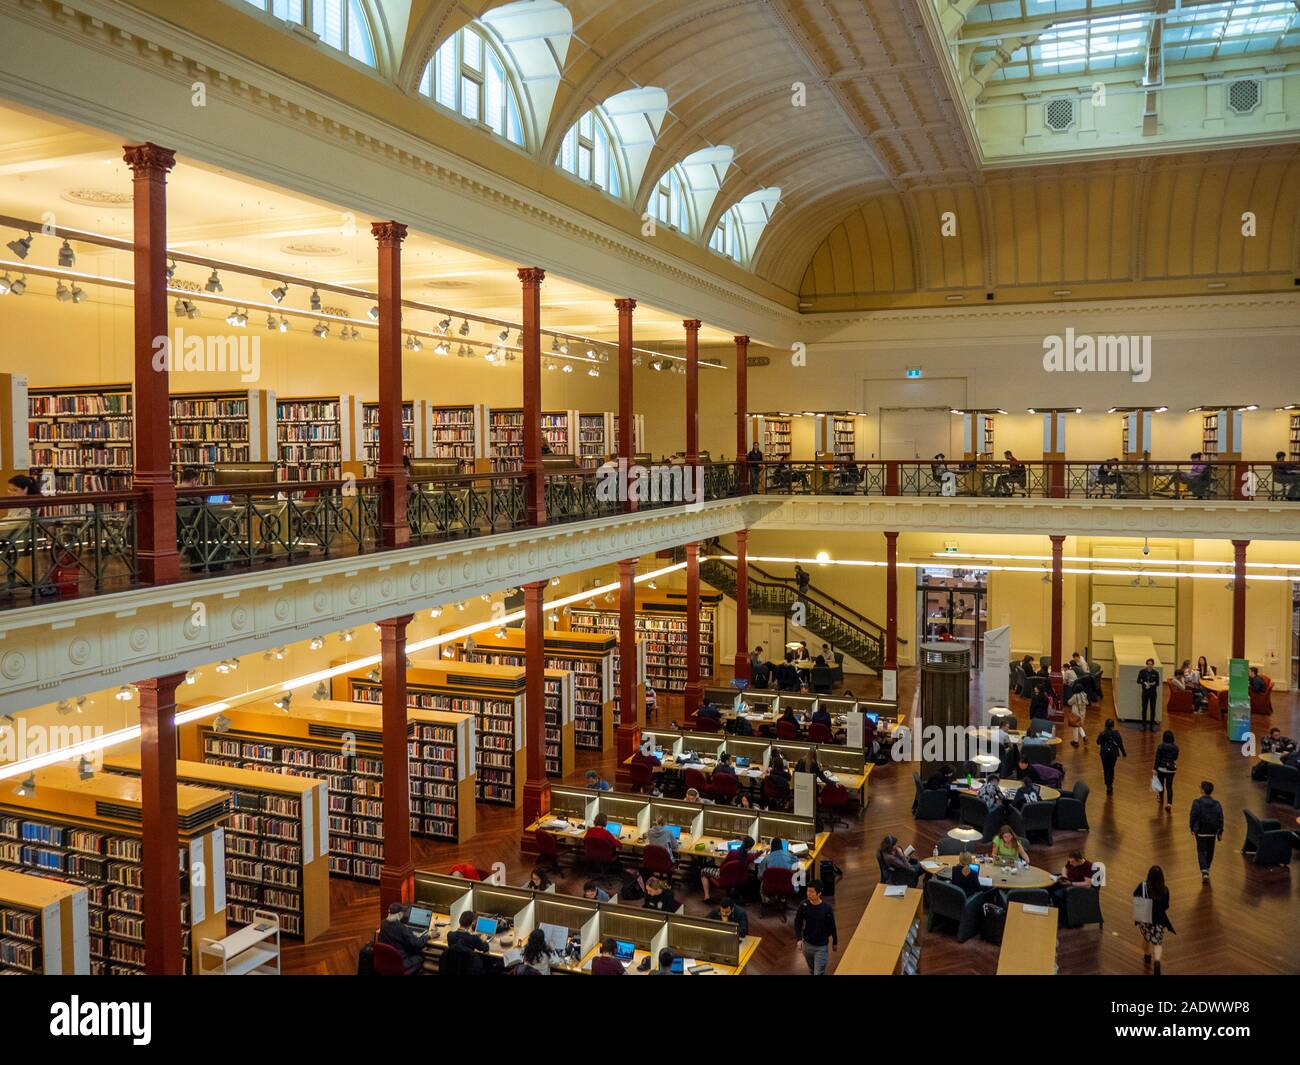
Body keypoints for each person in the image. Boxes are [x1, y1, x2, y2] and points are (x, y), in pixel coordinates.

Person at [1133, 865, 1174, 975]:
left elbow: (1135, 895)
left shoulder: (1142, 886)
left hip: (1145, 919)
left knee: (1146, 938)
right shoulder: (1165, 890)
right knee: (1158, 943)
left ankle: (1147, 956)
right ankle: (1157, 962)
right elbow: (1166, 906)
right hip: (1159, 920)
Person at [793, 880, 837, 975]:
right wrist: (799, 939)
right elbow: (797, 922)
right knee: (812, 971)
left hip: (821, 947)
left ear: (819, 893)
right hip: (807, 945)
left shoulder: (826, 908)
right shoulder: (803, 905)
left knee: (818, 973)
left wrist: (835, 942)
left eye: (812, 892)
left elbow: (832, 925)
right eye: (808, 891)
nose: (809, 894)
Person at [377, 902, 433, 974]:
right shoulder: (402, 928)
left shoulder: (383, 923)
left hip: (387, 960)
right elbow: (418, 943)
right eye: (403, 913)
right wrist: (429, 935)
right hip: (401, 961)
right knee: (421, 956)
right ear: (399, 914)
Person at [1189, 780, 1224, 884]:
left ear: (1202, 791)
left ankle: (1204, 872)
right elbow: (1220, 818)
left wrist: (1191, 828)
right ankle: (1207, 868)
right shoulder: (1217, 804)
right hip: (1212, 831)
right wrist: (1220, 831)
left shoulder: (1197, 802)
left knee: (1201, 850)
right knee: (1210, 850)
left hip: (1200, 830)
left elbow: (1193, 816)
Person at [701, 835, 753, 900]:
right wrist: (761, 851)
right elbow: (755, 856)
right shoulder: (749, 856)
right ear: (750, 848)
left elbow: (723, 866)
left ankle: (706, 896)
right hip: (739, 878)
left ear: (742, 843)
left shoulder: (732, 852)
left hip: (723, 877)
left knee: (703, 870)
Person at [1097, 718, 1127, 795]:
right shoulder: (1116, 734)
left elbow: (1098, 742)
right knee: (1111, 768)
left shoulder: (1103, 733)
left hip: (1104, 754)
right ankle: (1111, 783)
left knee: (1106, 769)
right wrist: (1123, 753)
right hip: (1113, 754)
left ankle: (1108, 785)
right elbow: (1120, 744)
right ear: (1113, 725)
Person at [1154, 729, 1179, 811]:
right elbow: (1175, 758)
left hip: (1161, 769)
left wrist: (1155, 768)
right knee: (1169, 786)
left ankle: (1161, 799)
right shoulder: (1176, 747)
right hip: (1171, 770)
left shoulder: (1160, 746)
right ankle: (1169, 803)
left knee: (1161, 785)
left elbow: (1157, 759)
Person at [1137, 658, 1160, 732]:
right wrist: (1144, 683)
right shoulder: (1142, 672)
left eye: (1151, 664)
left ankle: (1152, 725)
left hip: (1153, 692)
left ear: (1153, 665)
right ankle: (1144, 725)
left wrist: (1151, 684)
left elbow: (1158, 683)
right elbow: (1138, 681)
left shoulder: (1156, 673)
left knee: (1152, 708)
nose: (1149, 665)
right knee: (1144, 708)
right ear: (1146, 664)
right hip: (1145, 692)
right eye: (1148, 664)